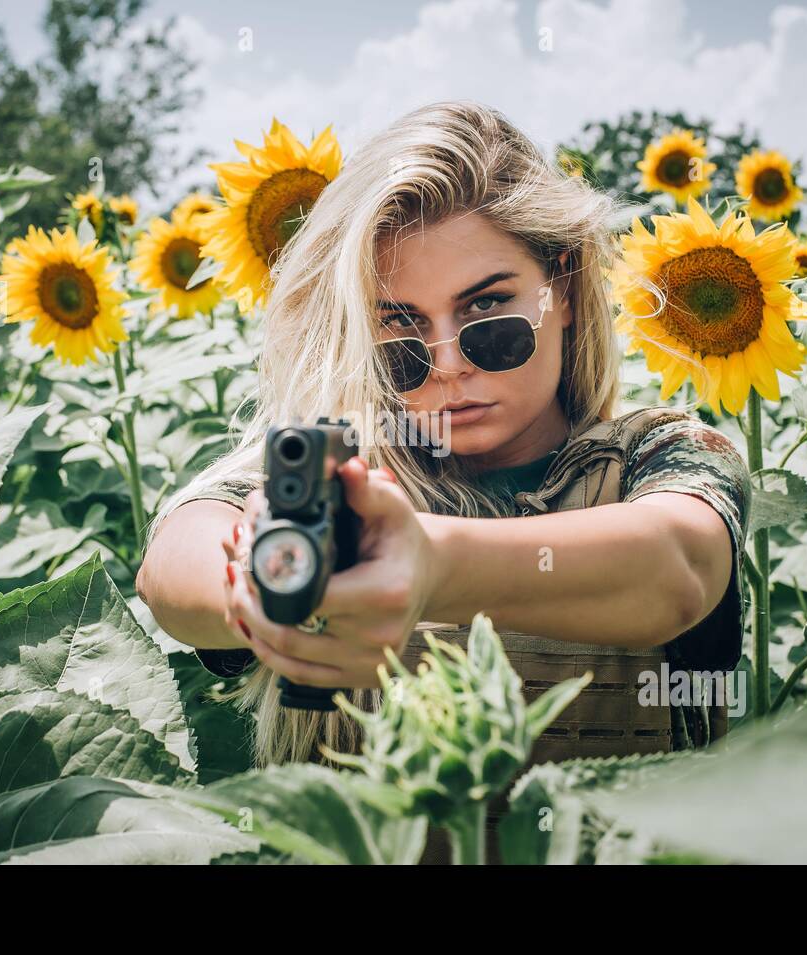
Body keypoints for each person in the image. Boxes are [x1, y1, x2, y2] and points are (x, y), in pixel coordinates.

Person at [136, 101, 752, 863]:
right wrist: (271, 585)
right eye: (401, 335)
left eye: (489, 312)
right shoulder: (348, 475)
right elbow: (174, 566)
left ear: (561, 285)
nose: (451, 366)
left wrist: (431, 567)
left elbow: (678, 567)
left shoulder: (662, 455)